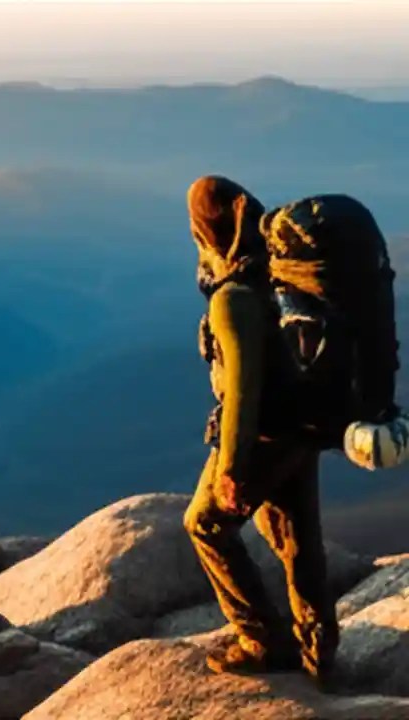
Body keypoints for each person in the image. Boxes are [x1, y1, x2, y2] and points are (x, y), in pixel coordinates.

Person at [182, 175, 338, 687]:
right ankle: (320, 654)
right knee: (298, 541)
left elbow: (242, 392)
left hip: (266, 436)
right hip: (302, 425)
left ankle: (262, 640)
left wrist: (230, 468)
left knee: (204, 525)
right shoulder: (274, 274)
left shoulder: (232, 298)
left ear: (208, 230)